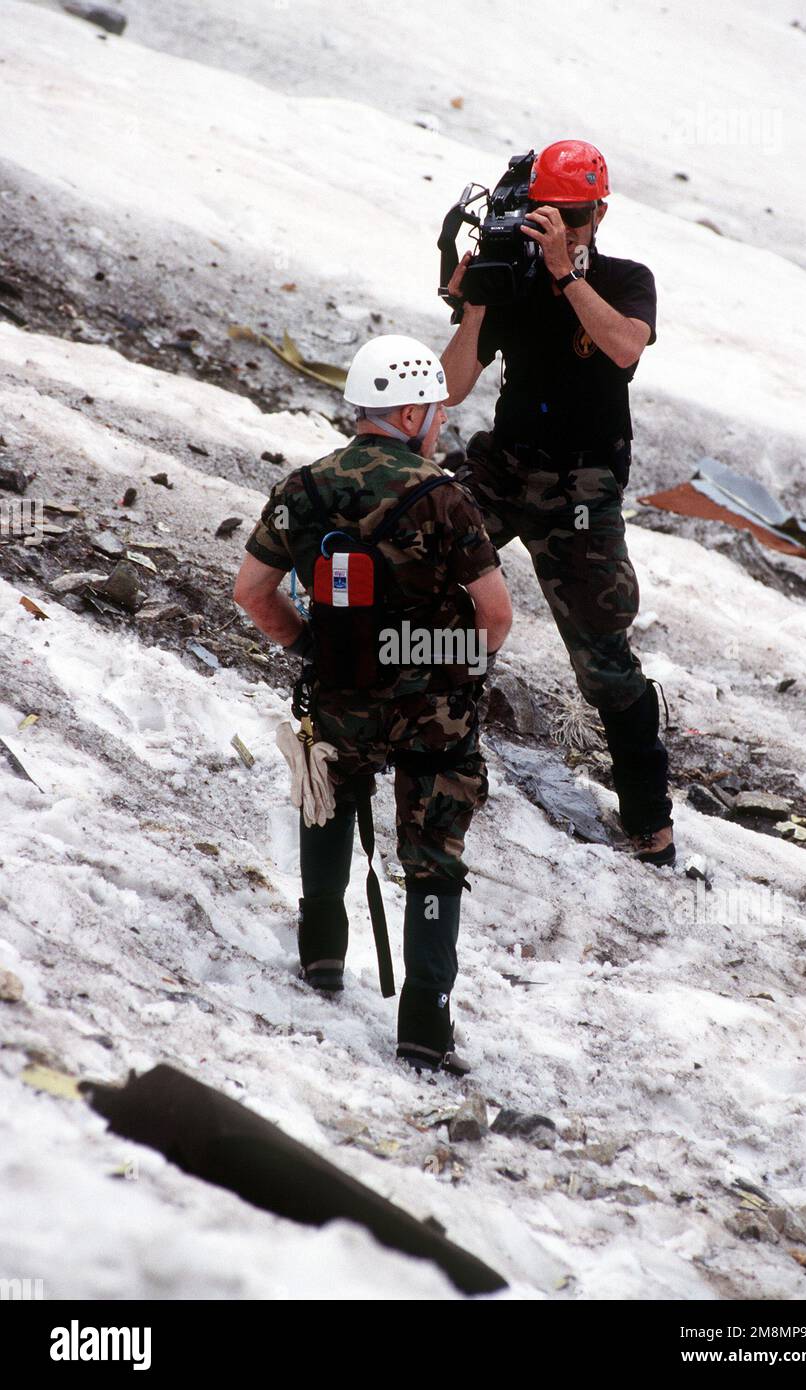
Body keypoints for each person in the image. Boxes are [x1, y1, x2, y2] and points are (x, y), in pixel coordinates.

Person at [234, 335, 512, 1073]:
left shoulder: (304, 489)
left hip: (339, 694)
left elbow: (251, 594)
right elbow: (497, 617)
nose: (444, 423)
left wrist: (312, 648)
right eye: (440, 411)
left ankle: (321, 957)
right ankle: (425, 1024)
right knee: (431, 857)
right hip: (434, 717)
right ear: (414, 409)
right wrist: (442, 665)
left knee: (327, 797)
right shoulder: (444, 497)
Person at [440, 138, 674, 866]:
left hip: (584, 486)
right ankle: (423, 746)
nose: (564, 225)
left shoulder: (624, 279)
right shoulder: (510, 276)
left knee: (603, 661)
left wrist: (567, 274)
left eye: (577, 214)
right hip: (506, 466)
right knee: (424, 572)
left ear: (601, 212)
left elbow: (625, 347)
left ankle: (649, 820)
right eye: (554, 212)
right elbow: (449, 388)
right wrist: (477, 302)